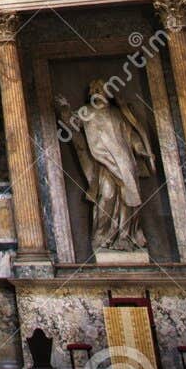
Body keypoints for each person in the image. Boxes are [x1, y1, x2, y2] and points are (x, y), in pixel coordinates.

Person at [56, 81, 155, 253]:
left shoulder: (118, 113)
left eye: (99, 89)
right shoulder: (87, 111)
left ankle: (125, 237)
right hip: (104, 164)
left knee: (128, 201)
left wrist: (142, 151)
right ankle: (103, 236)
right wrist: (65, 108)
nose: (95, 92)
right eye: (92, 89)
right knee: (107, 196)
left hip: (126, 163)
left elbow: (132, 137)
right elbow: (71, 122)